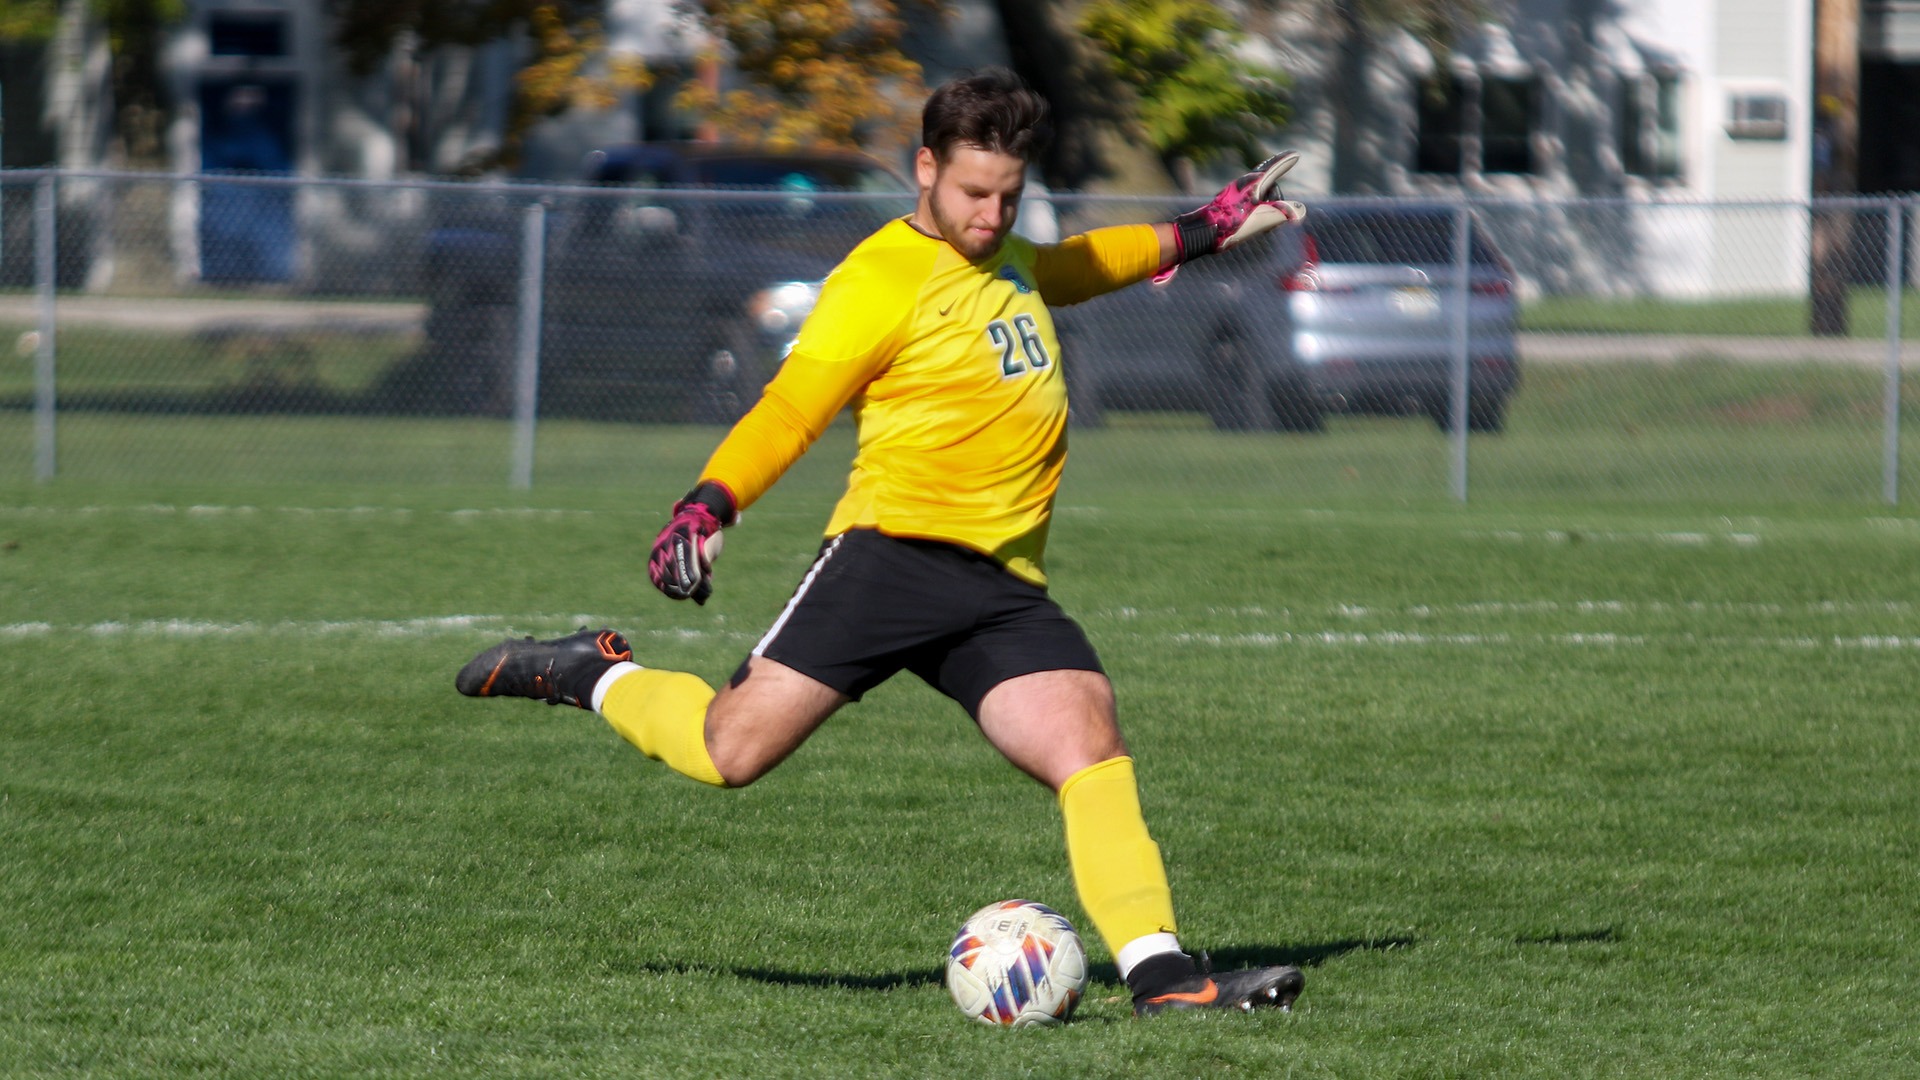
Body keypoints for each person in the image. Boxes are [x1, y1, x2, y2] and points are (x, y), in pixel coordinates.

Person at [458, 68, 1307, 1016]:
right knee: (726, 752)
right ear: (925, 169)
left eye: (1009, 197)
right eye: (973, 193)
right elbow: (791, 408)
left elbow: (1080, 263)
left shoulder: (1007, 255)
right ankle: (591, 673)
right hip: (890, 560)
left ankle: (1162, 978)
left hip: (1000, 584)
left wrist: (1201, 229)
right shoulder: (879, 278)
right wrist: (708, 506)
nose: (990, 216)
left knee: (1089, 743)